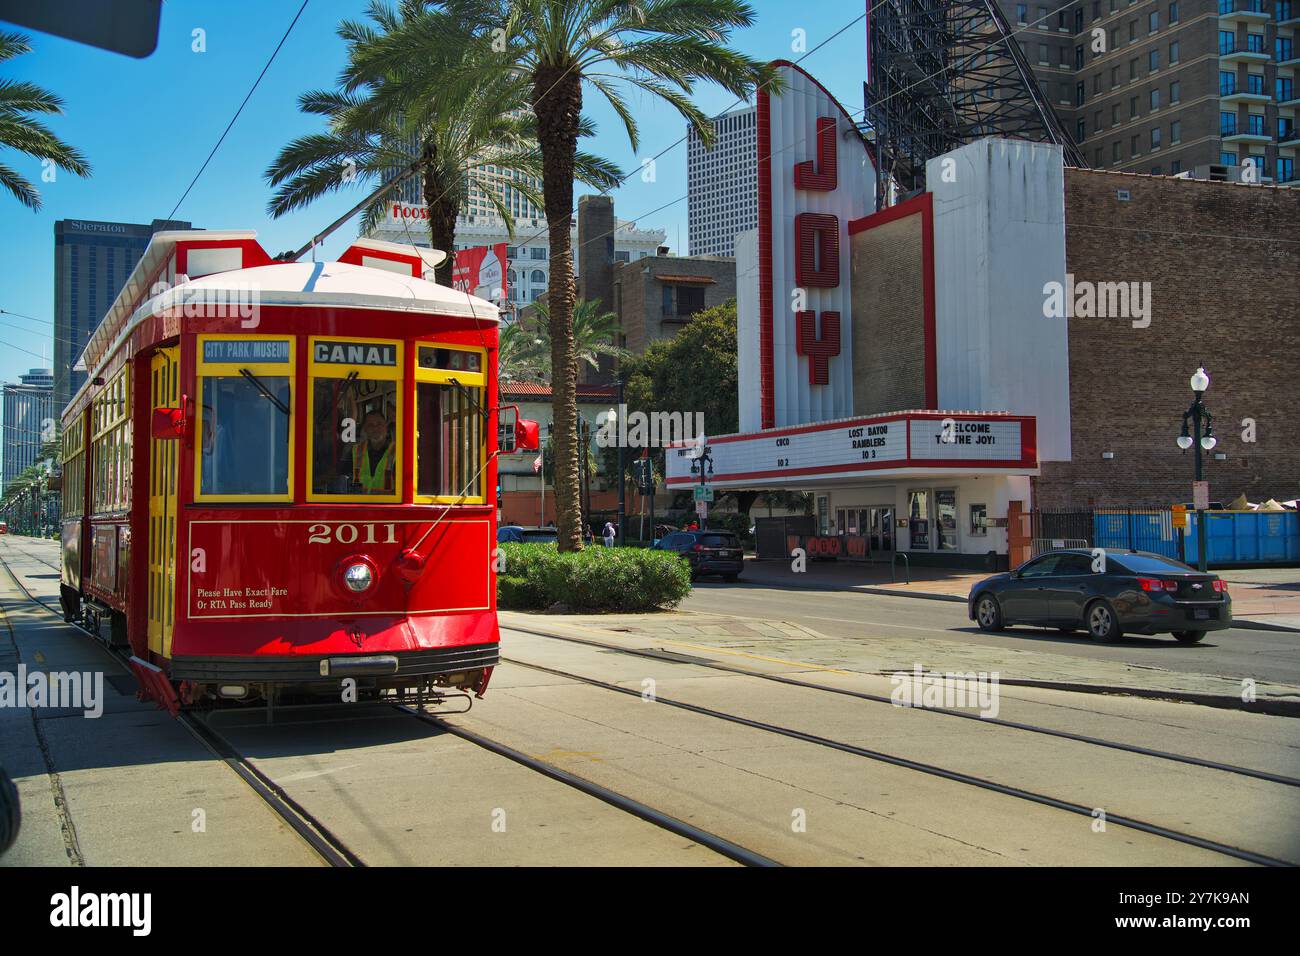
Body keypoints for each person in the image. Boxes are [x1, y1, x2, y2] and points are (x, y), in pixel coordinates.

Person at [353, 409, 395, 493]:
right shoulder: (356, 450)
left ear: (386, 427)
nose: (375, 428)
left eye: (379, 424)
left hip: (388, 505)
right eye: (370, 425)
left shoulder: (398, 451)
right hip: (360, 504)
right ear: (365, 429)